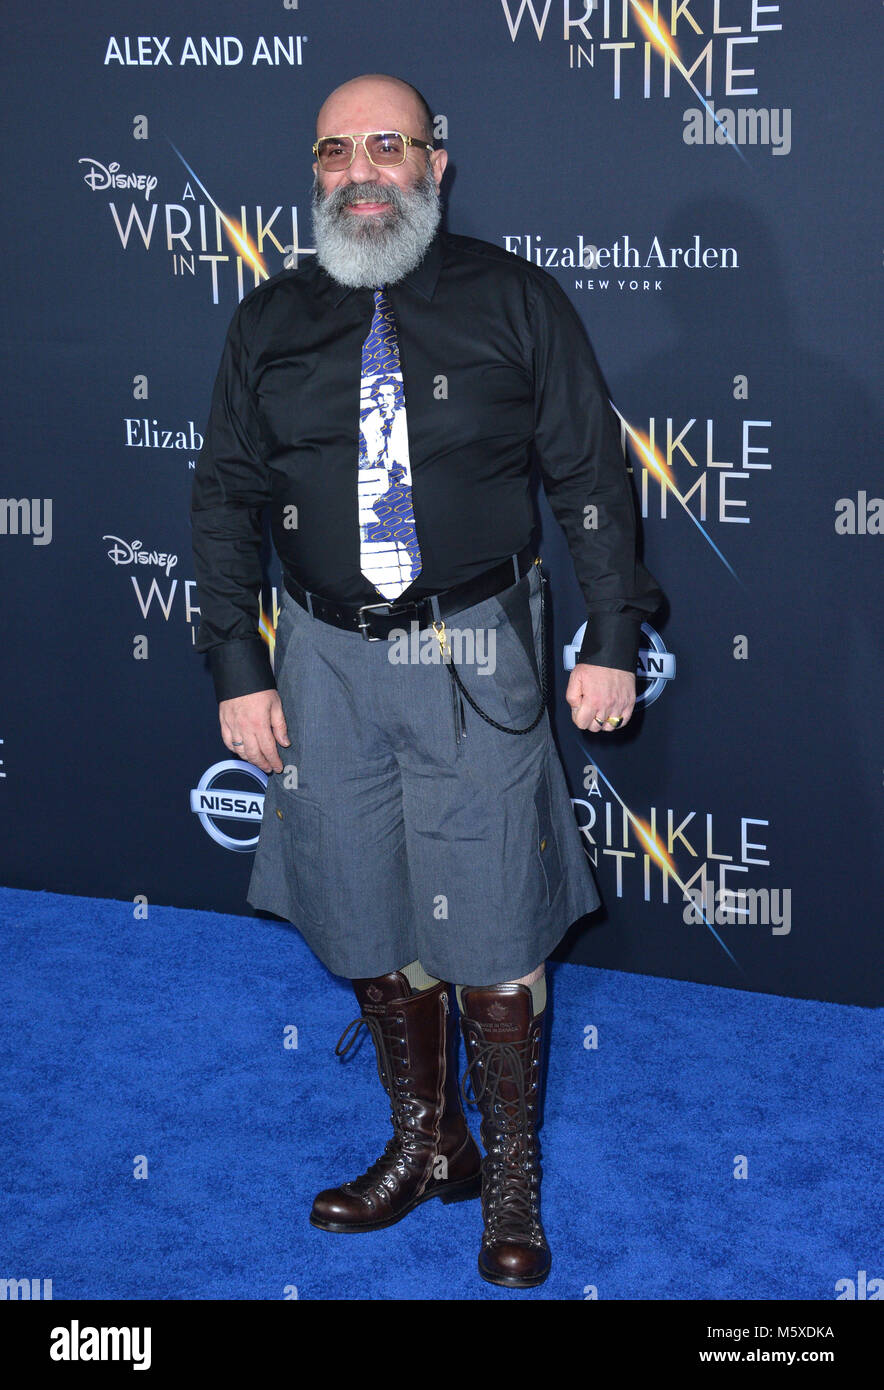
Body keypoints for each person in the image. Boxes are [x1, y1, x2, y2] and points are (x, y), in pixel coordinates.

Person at [191, 72, 663, 1290]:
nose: (361, 171)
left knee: (496, 912)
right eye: (336, 150)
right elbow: (223, 502)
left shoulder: (514, 300)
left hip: (472, 649)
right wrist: (239, 666)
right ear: (316, 170)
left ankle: (509, 1168)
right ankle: (426, 1138)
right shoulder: (268, 320)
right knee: (358, 899)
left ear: (433, 165)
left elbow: (590, 484)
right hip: (322, 656)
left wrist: (612, 636)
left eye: (386, 146)